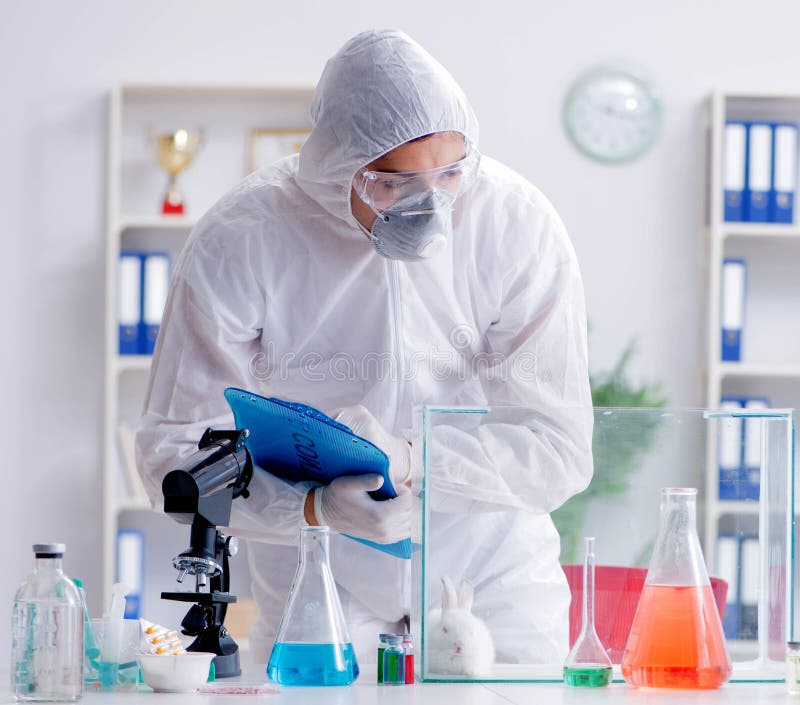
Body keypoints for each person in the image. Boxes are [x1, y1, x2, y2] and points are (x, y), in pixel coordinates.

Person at [136, 28, 593, 665]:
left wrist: (414, 459)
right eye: (393, 184)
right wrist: (313, 509)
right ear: (333, 168)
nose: (429, 206)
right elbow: (174, 453)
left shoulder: (514, 224)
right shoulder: (245, 236)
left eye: (451, 172)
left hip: (488, 564)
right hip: (316, 564)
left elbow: (557, 448)